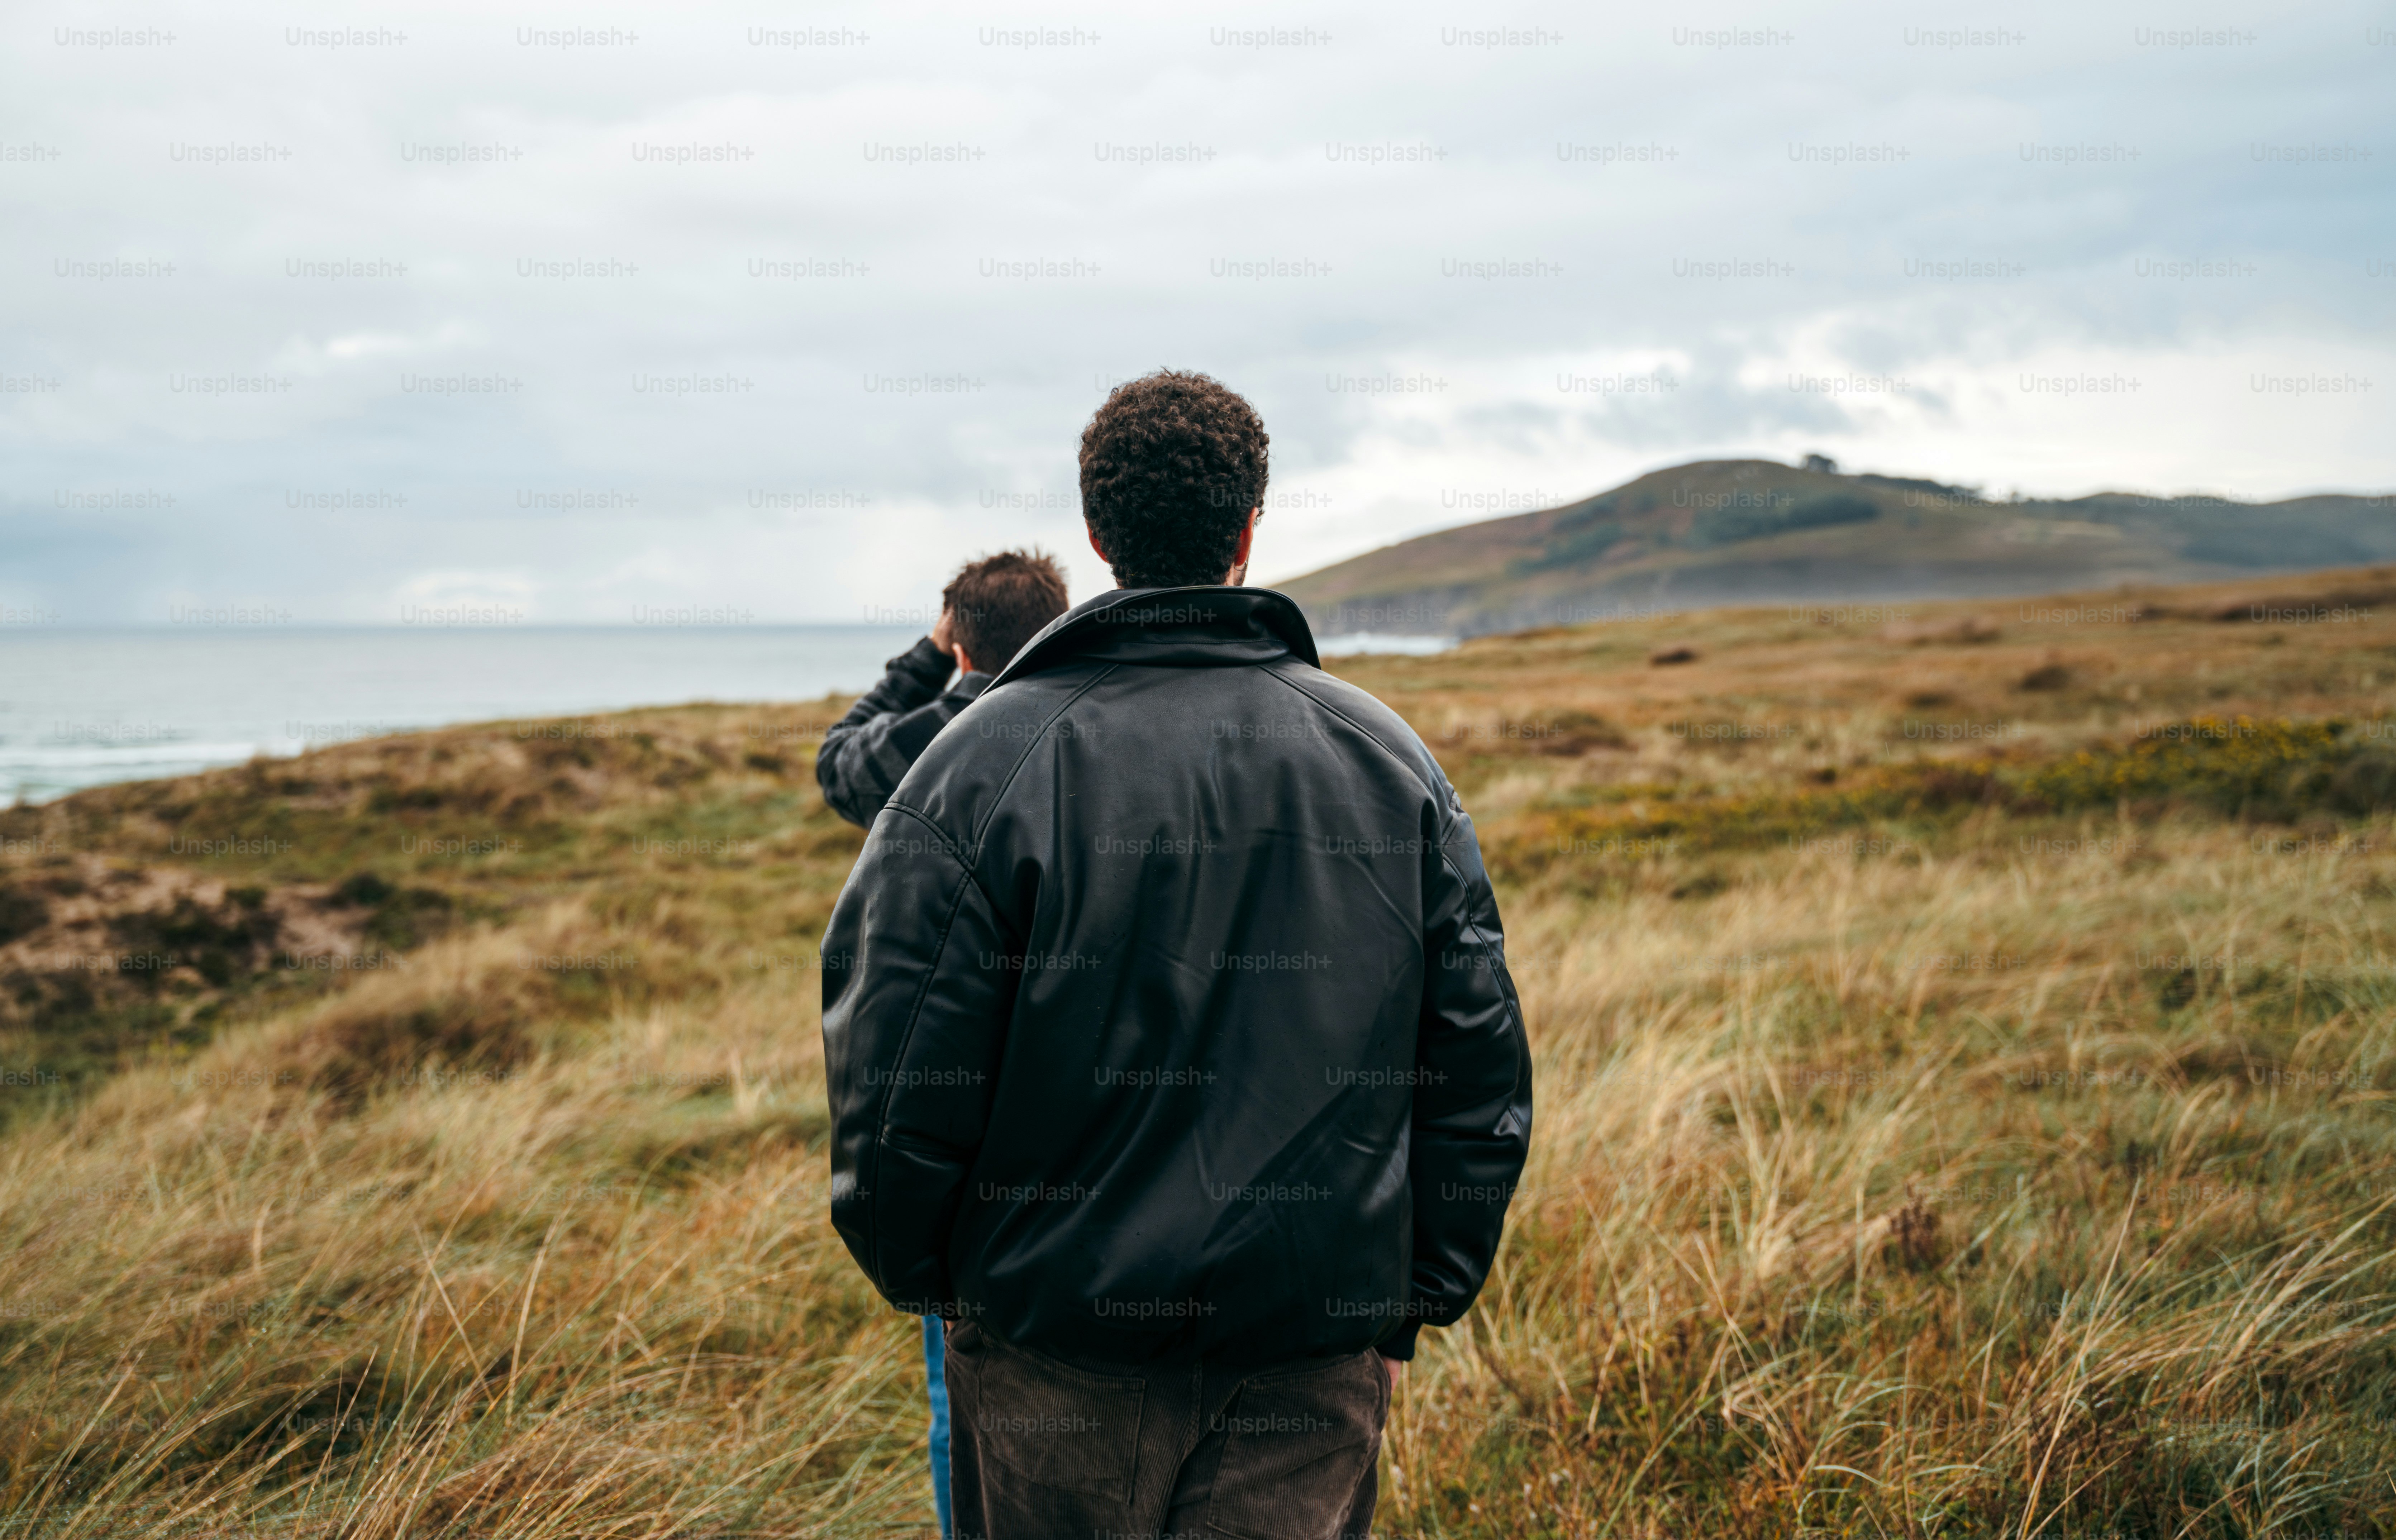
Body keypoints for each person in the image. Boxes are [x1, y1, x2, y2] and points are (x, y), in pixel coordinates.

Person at [821, 369, 1532, 1539]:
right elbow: (1476, 1063)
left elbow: (890, 1061)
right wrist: (1405, 1306)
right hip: (1309, 1358)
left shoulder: (972, 761)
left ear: (1098, 536)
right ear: (1251, 529)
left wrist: (942, 1290)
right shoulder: (1386, 758)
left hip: (1050, 1355)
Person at [812, 547, 1070, 1540]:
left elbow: (839, 758)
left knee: (959, 1391)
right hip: (1081, 1111)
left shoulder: (933, 736)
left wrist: (928, 658)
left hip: (971, 1143)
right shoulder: (1086, 718)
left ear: (960, 638)